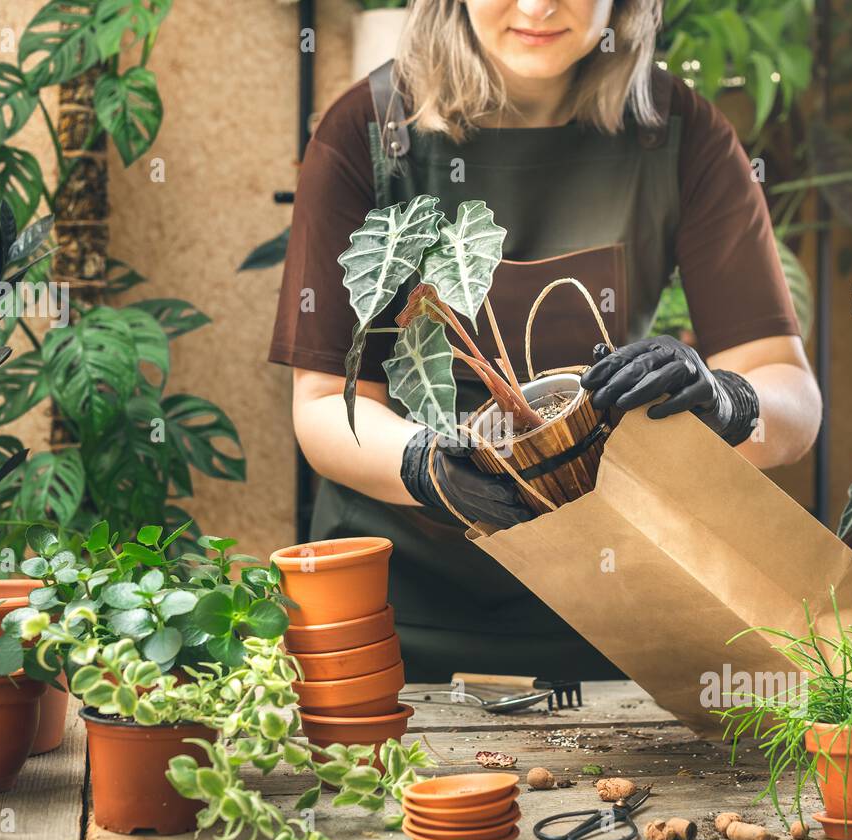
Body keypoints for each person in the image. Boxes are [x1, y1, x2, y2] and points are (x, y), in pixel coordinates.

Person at [268, 0, 821, 682]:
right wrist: (427, 467)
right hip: (393, 621)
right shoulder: (364, 130)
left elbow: (791, 399)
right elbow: (323, 404)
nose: (535, 5)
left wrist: (728, 401)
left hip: (611, 621)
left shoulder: (682, 134)